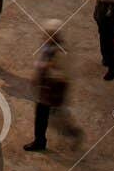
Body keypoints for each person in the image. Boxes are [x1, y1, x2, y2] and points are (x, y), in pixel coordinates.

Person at [23, 19, 80, 152]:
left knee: (55, 118)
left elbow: (63, 73)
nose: (44, 37)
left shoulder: (60, 52)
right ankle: (40, 140)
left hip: (53, 89)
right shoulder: (48, 46)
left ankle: (72, 133)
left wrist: (48, 68)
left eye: (47, 34)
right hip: (45, 88)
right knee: (44, 116)